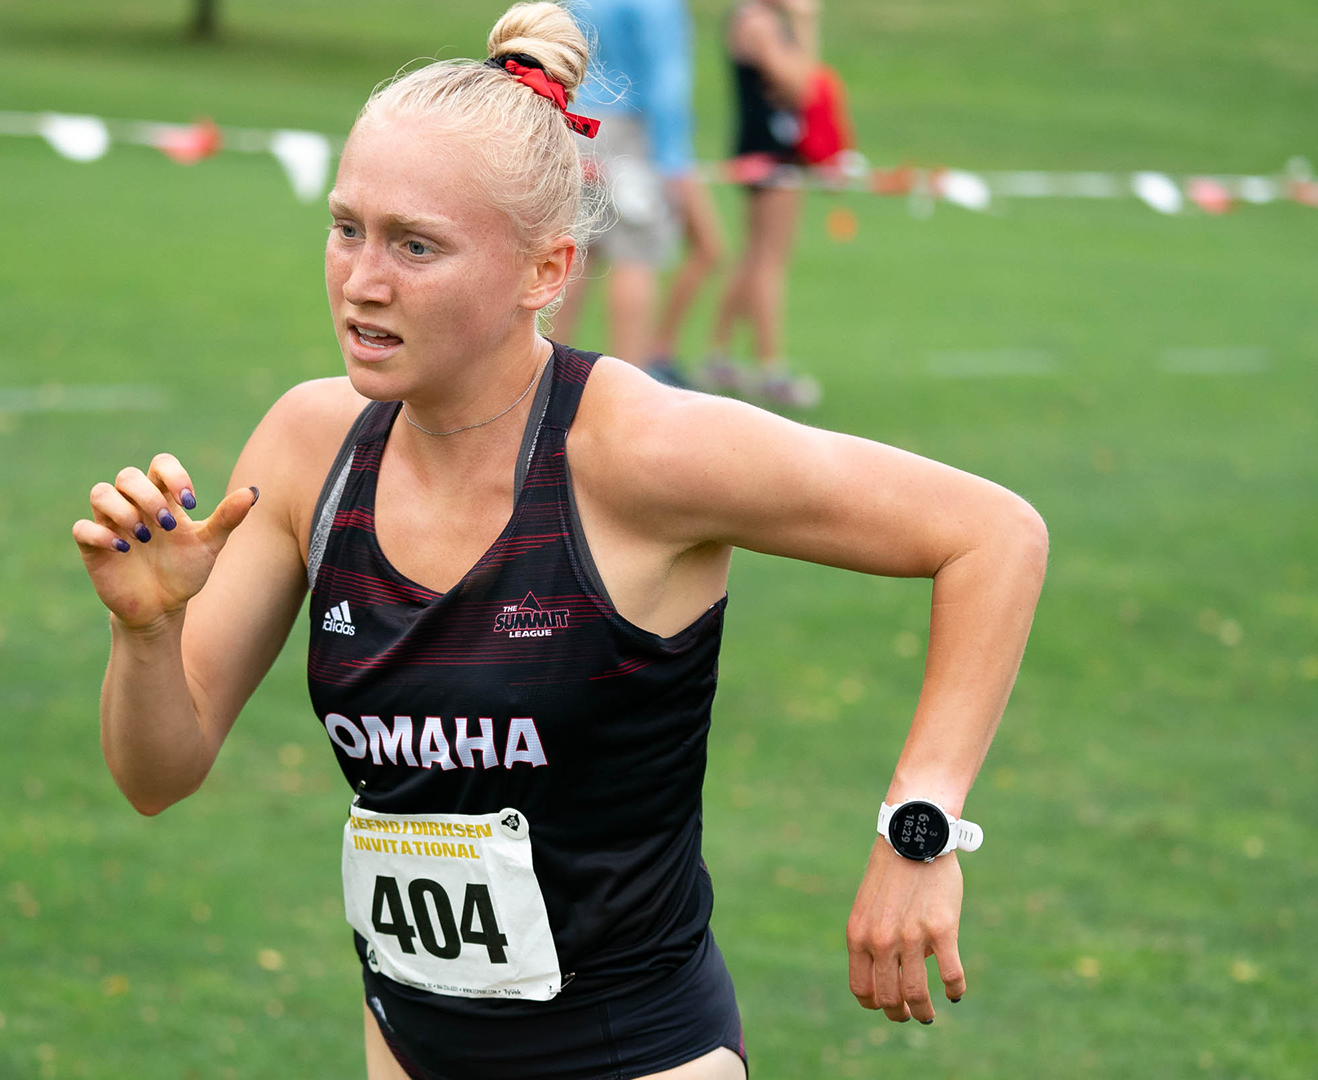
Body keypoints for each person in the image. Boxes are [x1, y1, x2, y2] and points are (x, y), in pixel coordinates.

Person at [72, 4, 1047, 1077]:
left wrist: (920, 828)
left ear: (545, 271)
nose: (363, 282)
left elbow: (991, 534)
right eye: (348, 228)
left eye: (416, 245)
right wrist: (148, 634)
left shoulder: (636, 450)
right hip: (408, 1050)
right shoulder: (313, 447)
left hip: (637, 1056)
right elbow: (157, 775)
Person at [547, 0, 725, 388]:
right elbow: (665, 79)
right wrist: (673, 158)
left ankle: (547, 378)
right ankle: (630, 389)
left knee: (576, 250)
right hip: (630, 126)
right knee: (634, 252)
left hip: (578, 120)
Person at [704, 0, 826, 408]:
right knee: (770, 260)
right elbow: (803, 87)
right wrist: (805, 22)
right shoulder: (758, 22)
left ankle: (718, 356)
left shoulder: (755, 18)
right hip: (771, 154)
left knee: (754, 257)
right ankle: (770, 368)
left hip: (765, 152)